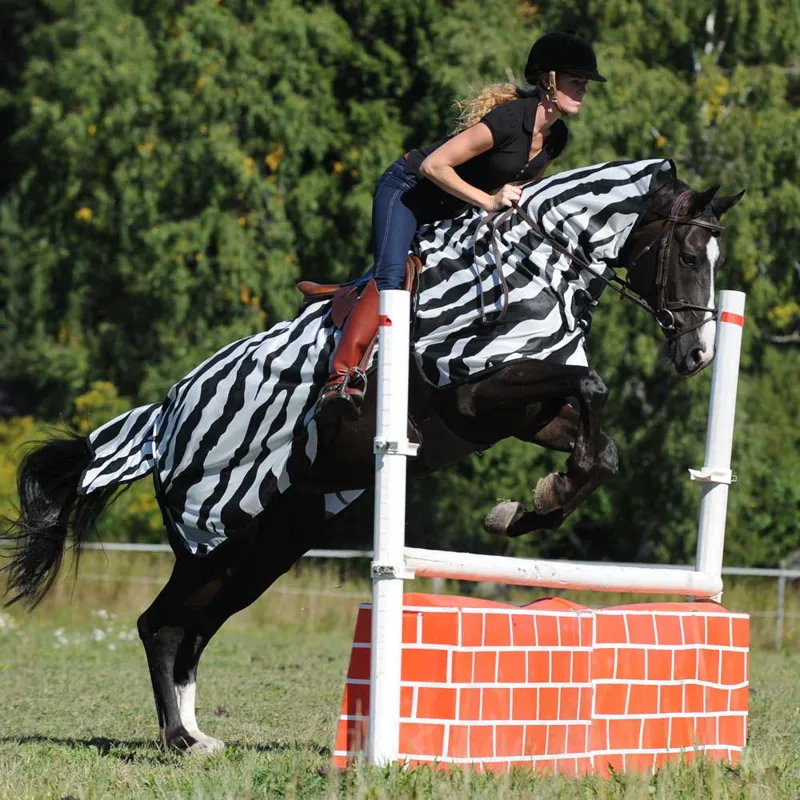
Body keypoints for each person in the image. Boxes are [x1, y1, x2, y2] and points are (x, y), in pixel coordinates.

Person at [315, 31, 606, 425]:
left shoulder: (557, 138)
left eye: (585, 84)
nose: (583, 91)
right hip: (409, 192)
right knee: (392, 276)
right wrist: (488, 201)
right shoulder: (507, 120)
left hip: (455, 208)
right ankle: (341, 377)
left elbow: (521, 192)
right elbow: (434, 165)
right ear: (550, 81)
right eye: (577, 82)